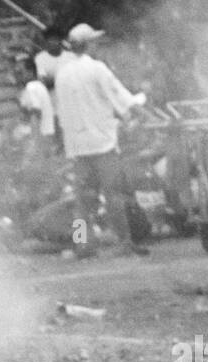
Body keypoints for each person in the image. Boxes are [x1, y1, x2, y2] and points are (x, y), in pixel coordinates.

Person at [54, 23, 152, 256]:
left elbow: (62, 110)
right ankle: (123, 242)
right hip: (102, 143)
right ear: (89, 45)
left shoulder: (63, 73)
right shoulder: (97, 69)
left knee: (82, 201)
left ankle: (82, 244)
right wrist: (139, 111)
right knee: (113, 196)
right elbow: (118, 94)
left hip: (77, 146)